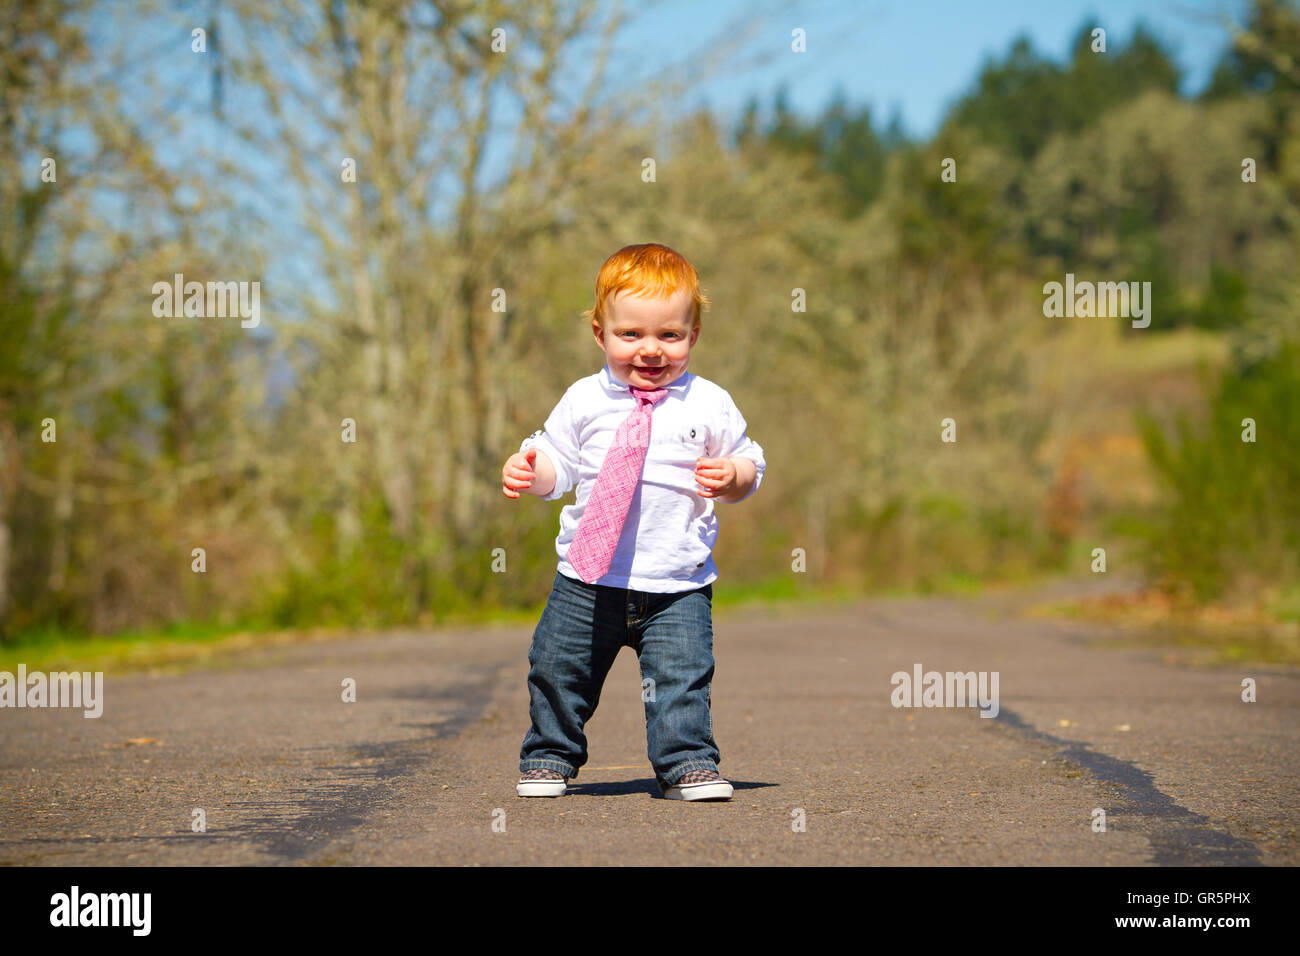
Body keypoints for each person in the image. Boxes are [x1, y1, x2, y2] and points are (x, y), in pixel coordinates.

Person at [500, 242, 766, 801]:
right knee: (557, 668)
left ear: (693, 336)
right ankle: (549, 756)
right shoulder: (583, 400)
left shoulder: (708, 403)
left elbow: (750, 459)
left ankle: (686, 762)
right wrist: (533, 469)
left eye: (669, 335)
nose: (650, 350)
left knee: (682, 679)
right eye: (630, 335)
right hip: (587, 578)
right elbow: (558, 461)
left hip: (675, 581)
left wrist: (735, 474)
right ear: (600, 333)